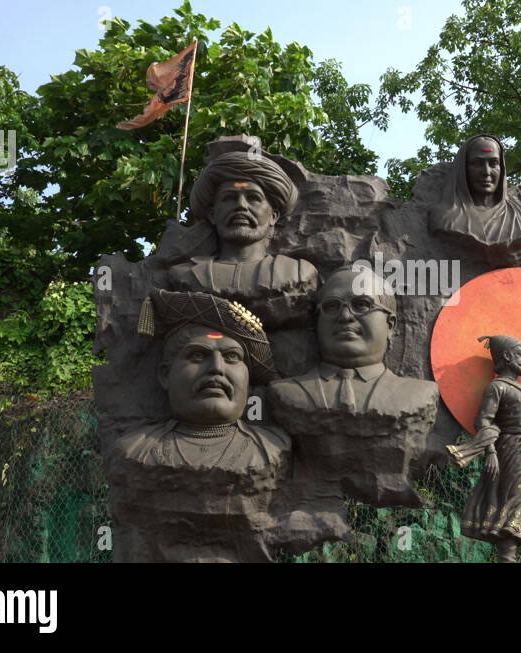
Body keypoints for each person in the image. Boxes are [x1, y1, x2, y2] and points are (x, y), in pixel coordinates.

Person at [107, 289, 290, 562]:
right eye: (197, 356)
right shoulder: (135, 452)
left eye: (231, 357)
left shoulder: (273, 450)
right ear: (165, 375)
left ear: (249, 381)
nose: (216, 368)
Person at [268, 265, 440, 506]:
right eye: (332, 306)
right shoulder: (287, 393)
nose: (345, 316)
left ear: (390, 325)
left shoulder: (420, 394)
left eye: (361, 305)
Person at [168, 149, 318, 328]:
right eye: (229, 198)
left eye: (253, 198)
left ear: (274, 216)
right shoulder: (184, 275)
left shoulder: (299, 273)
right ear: (212, 214)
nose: (241, 206)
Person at [446, 335, 521, 563]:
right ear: (506, 356)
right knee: (511, 515)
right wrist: (490, 453)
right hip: (514, 453)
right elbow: (483, 421)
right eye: (520, 354)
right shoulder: (497, 387)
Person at [429, 134, 521, 266]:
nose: (486, 172)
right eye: (477, 163)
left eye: (493, 163)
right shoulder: (445, 217)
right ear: (463, 169)